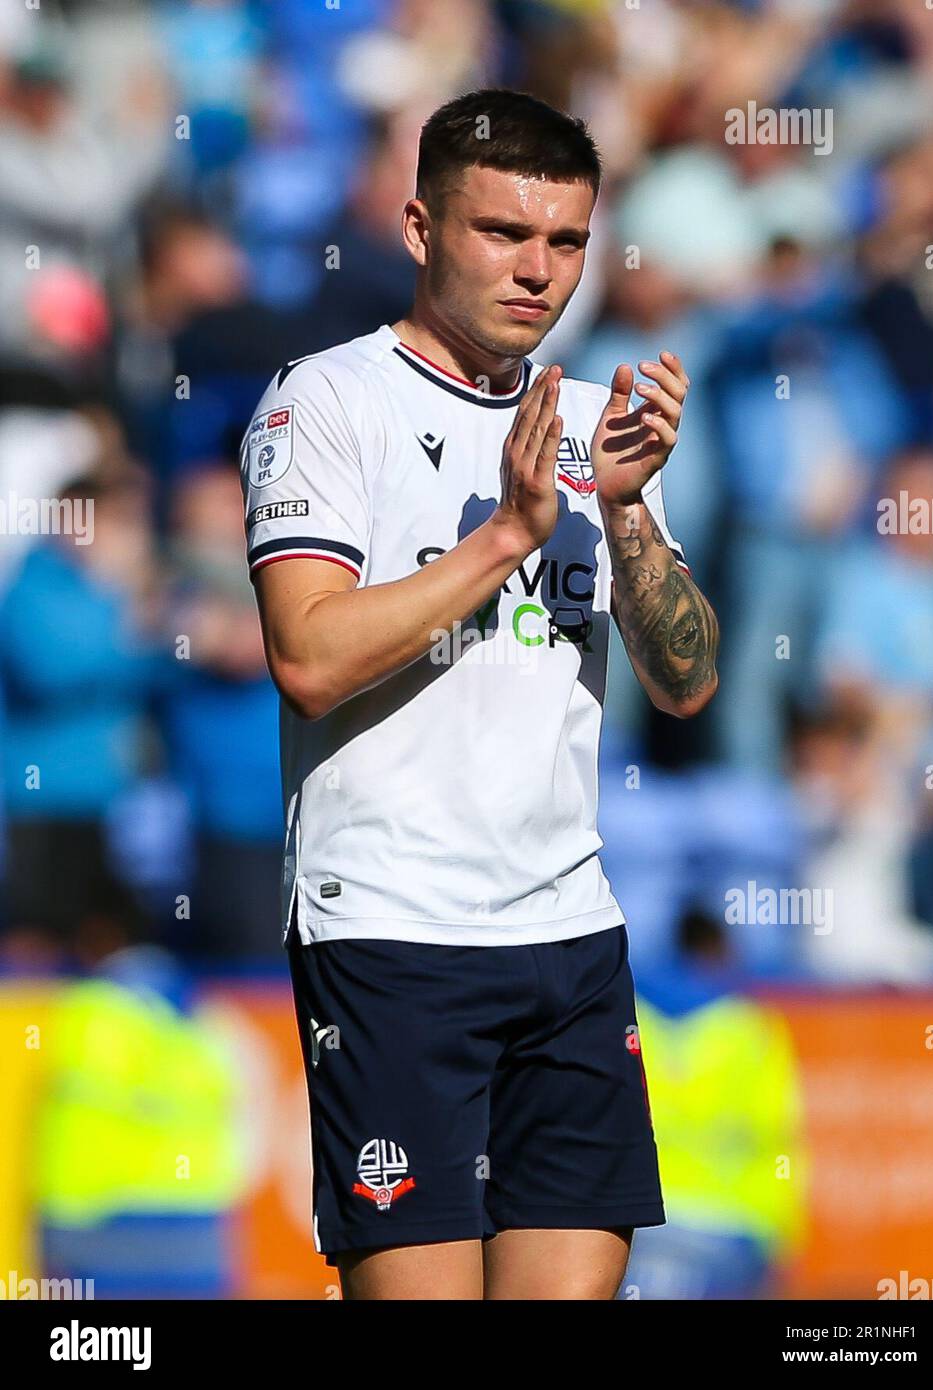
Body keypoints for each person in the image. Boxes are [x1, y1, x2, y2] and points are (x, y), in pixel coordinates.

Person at [239, 88, 719, 1301]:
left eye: (564, 242)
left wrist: (622, 517)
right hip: (395, 932)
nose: (536, 272)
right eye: (502, 233)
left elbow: (687, 681)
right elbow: (306, 657)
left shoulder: (589, 433)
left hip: (568, 932)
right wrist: (505, 537)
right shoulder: (327, 401)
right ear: (417, 227)